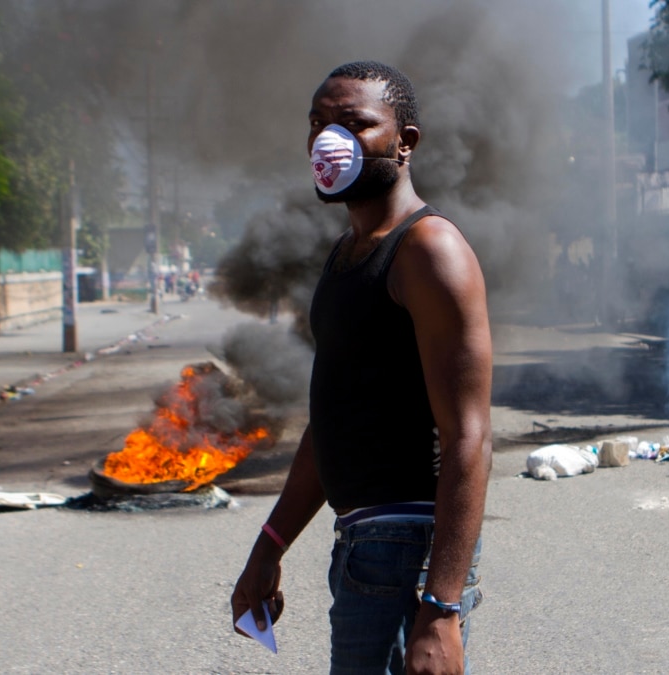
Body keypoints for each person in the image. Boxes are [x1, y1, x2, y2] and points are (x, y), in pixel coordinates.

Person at [231, 61, 493, 675]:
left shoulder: (429, 250)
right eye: (318, 123)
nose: (328, 139)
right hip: (362, 544)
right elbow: (334, 422)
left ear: (405, 142)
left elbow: (470, 436)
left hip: (408, 549)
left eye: (354, 124)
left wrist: (441, 606)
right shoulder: (345, 256)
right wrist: (269, 546)